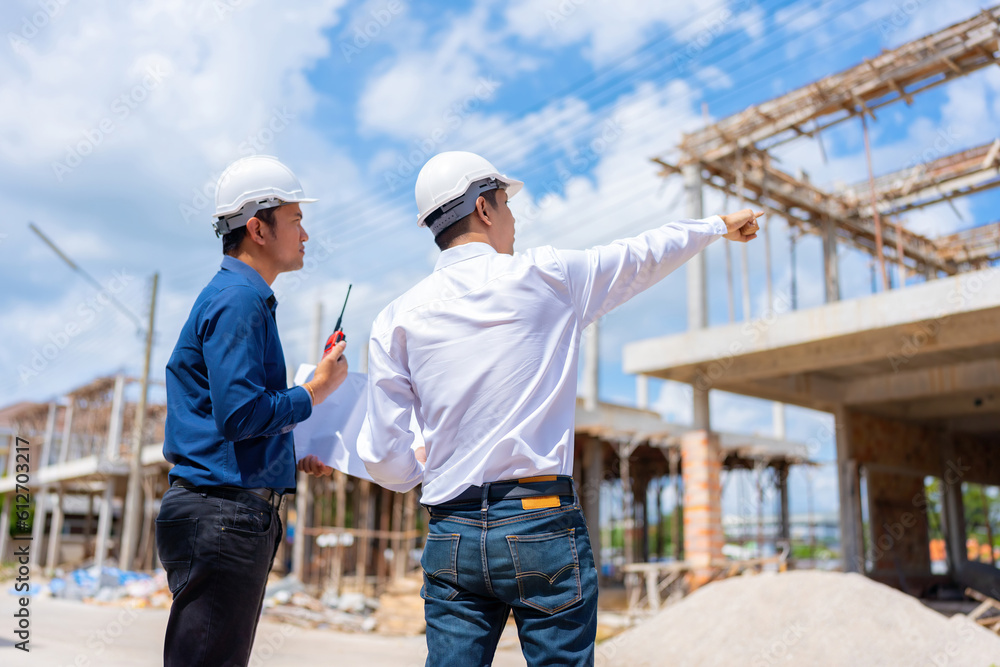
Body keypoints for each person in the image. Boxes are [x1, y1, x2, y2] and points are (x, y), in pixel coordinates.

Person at [359, 150, 761, 666]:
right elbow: (641, 254)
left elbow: (382, 456)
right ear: (484, 208)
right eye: (506, 204)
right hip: (538, 522)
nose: (513, 218)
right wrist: (717, 226)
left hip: (451, 528)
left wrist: (427, 467)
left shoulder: (396, 318)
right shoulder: (548, 276)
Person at [157, 155, 346, 667]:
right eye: (296, 220)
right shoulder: (239, 299)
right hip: (221, 514)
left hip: (222, 512)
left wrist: (293, 453)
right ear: (258, 228)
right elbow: (239, 416)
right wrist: (314, 392)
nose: (305, 234)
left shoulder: (239, 297)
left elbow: (236, 423)